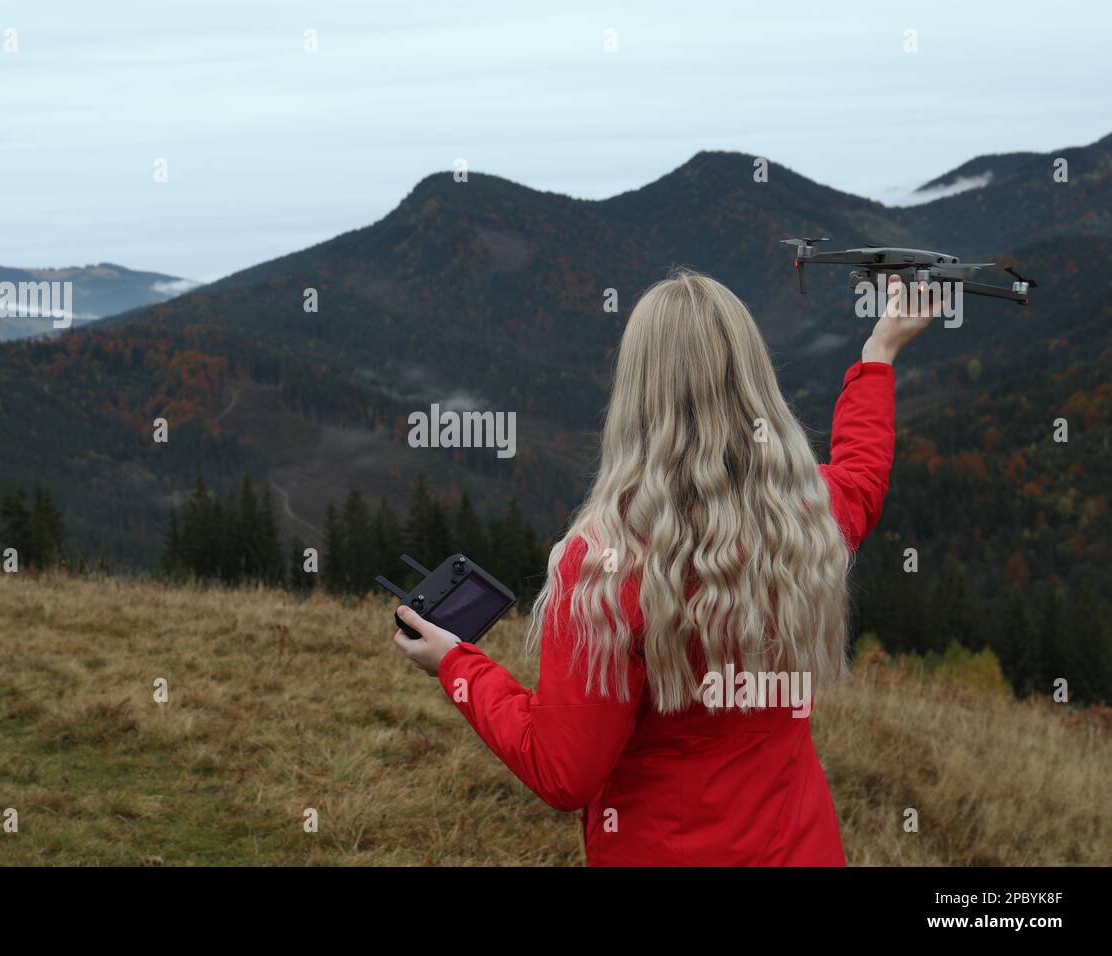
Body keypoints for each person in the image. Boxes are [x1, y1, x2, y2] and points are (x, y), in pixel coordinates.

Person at [392, 270, 933, 865]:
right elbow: (861, 475)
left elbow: (564, 773)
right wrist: (878, 354)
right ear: (754, 380)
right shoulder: (803, 520)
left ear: (635, 394)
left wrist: (456, 665)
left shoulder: (607, 568)